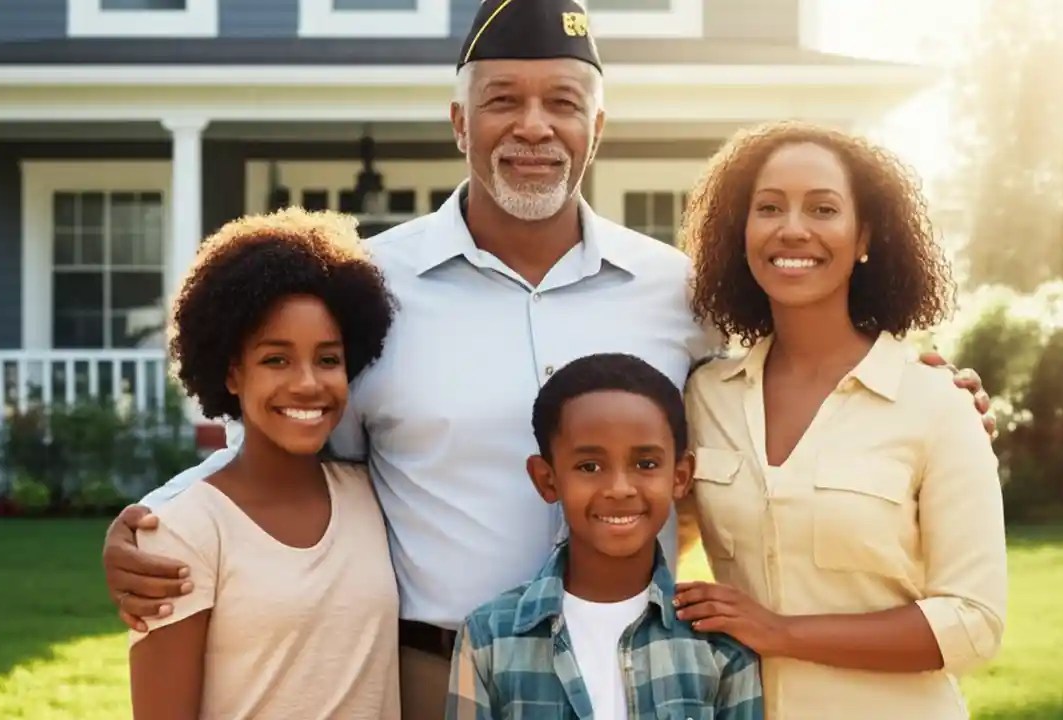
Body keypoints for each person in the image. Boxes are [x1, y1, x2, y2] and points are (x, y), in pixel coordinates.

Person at [101, 4, 992, 717]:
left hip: (640, 681)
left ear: (596, 128)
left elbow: (801, 379)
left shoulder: (678, 295)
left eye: (563, 102)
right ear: (459, 121)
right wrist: (159, 513)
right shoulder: (370, 286)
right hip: (429, 677)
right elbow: (290, 423)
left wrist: (927, 386)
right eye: (503, 100)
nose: (534, 127)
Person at [673, 121, 1007, 720]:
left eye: (823, 208)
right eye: (768, 207)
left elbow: (973, 622)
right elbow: (654, 542)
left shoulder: (936, 403)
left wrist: (780, 632)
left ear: (864, 237)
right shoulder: (704, 398)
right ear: (740, 234)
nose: (792, 228)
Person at [127, 208, 400, 719]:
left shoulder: (370, 495)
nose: (307, 384)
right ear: (232, 373)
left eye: (327, 359)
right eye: (276, 359)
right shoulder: (184, 530)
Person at [447, 353, 763, 720]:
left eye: (646, 464)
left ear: (680, 476)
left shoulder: (717, 643)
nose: (619, 488)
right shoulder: (491, 637)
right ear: (547, 480)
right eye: (589, 467)